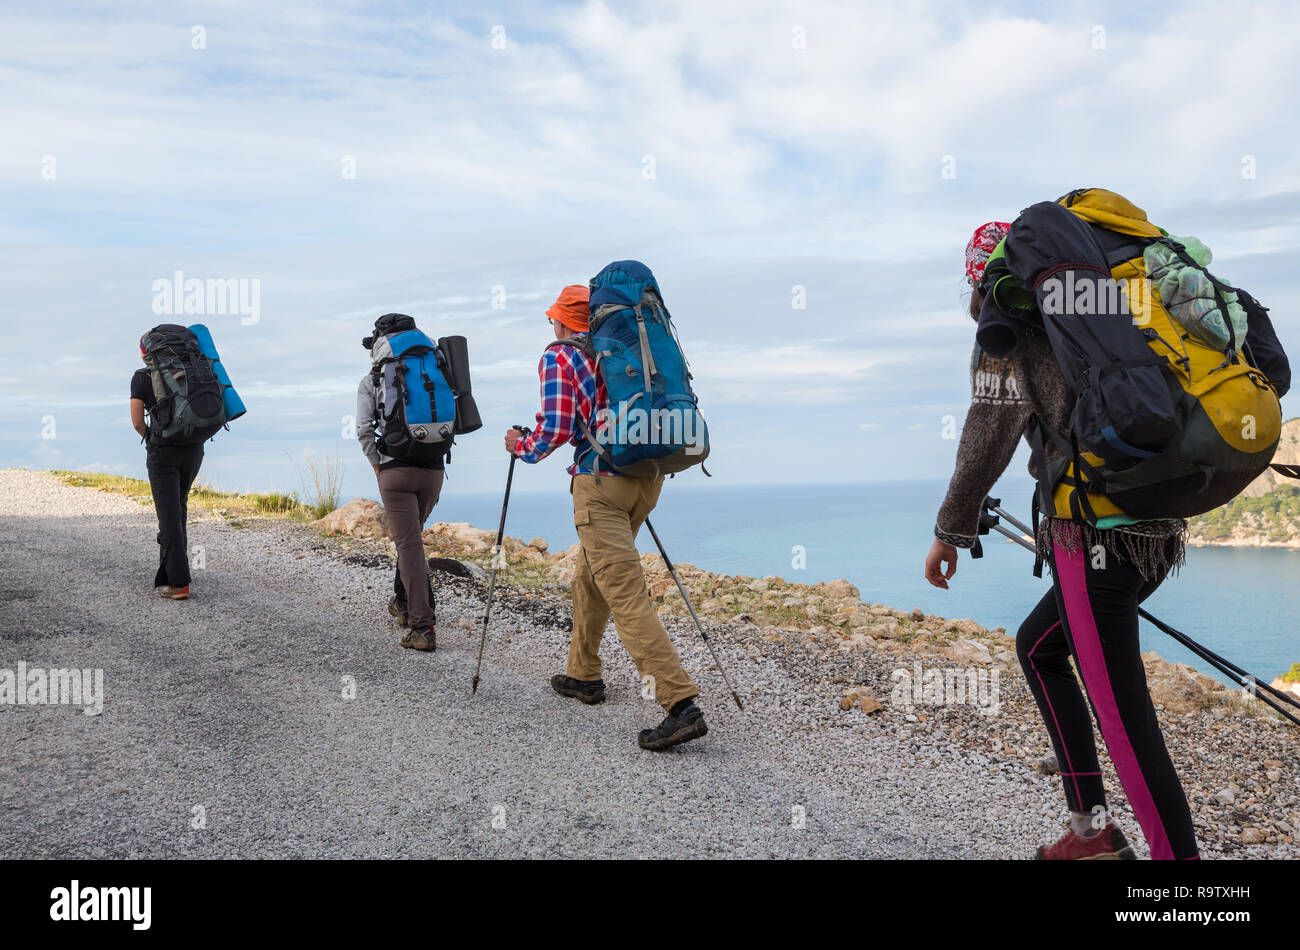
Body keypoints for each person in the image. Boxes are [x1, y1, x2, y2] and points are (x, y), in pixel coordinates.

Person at [922, 219, 1281, 861]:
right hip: (1156, 521)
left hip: (1091, 532)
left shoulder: (1009, 320)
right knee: (1038, 648)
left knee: (1123, 720)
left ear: (984, 280)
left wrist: (949, 529)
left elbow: (987, 435)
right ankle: (1090, 833)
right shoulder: (1118, 295)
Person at [504, 283, 708, 751]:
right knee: (589, 578)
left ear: (563, 320)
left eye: (554, 317)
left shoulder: (560, 357)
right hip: (644, 479)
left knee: (625, 594)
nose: (551, 324)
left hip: (600, 488)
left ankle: (680, 706)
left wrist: (523, 448)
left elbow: (555, 426)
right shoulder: (619, 352)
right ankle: (584, 675)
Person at [356, 313, 444, 652]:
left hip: (396, 471)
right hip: (434, 468)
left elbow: (364, 429)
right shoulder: (435, 366)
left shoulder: (372, 379)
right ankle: (403, 603)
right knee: (412, 540)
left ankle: (422, 627)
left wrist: (377, 465)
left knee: (409, 545)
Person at [131, 336, 205, 600]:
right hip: (194, 447)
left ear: (146, 353)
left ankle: (178, 583)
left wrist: (152, 438)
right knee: (179, 507)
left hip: (163, 451)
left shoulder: (142, 377)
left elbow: (138, 421)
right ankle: (177, 568)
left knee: (169, 516)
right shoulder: (193, 371)